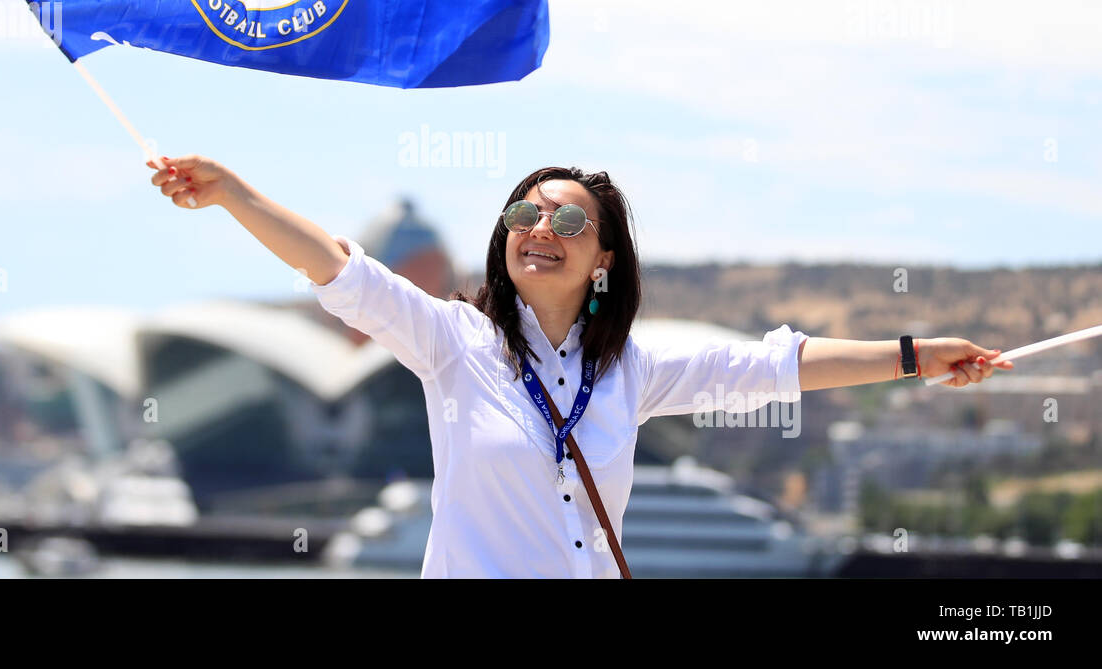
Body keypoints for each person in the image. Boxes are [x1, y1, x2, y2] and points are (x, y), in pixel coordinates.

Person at [146, 154, 1011, 578]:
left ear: (602, 259)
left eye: (566, 221)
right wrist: (231, 193)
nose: (539, 229)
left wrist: (916, 354)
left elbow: (769, 369)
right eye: (524, 212)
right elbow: (338, 266)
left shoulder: (632, 370)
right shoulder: (453, 343)